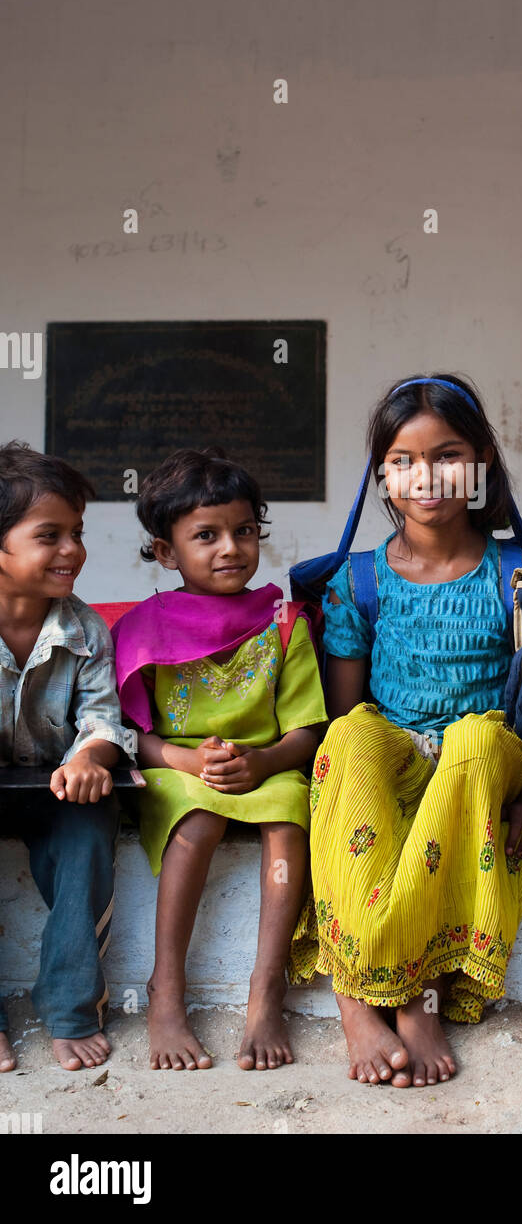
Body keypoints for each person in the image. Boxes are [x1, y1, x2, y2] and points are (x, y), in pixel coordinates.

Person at [311, 373, 522, 1089]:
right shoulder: (357, 581)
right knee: (350, 741)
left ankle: (419, 1001)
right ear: (382, 472)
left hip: (487, 759)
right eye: (403, 459)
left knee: (475, 740)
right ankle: (357, 1002)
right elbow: (345, 714)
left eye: (448, 454)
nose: (426, 476)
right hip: (397, 751)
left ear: (484, 459)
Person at [112, 449, 327, 1071]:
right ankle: (167, 992)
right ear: (166, 552)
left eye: (243, 531)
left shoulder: (283, 623)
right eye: (205, 536)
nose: (229, 547)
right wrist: (181, 758)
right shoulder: (143, 628)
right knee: (198, 823)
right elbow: (131, 735)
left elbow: (307, 729)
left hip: (268, 765)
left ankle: (266, 993)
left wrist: (262, 764)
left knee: (289, 822)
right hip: (175, 772)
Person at [0, 442, 135, 1072]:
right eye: (48, 535)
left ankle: (70, 1005)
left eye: (76, 533)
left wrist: (90, 758)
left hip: (60, 793)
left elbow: (103, 717)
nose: (72, 550)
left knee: (87, 840)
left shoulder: (86, 629)